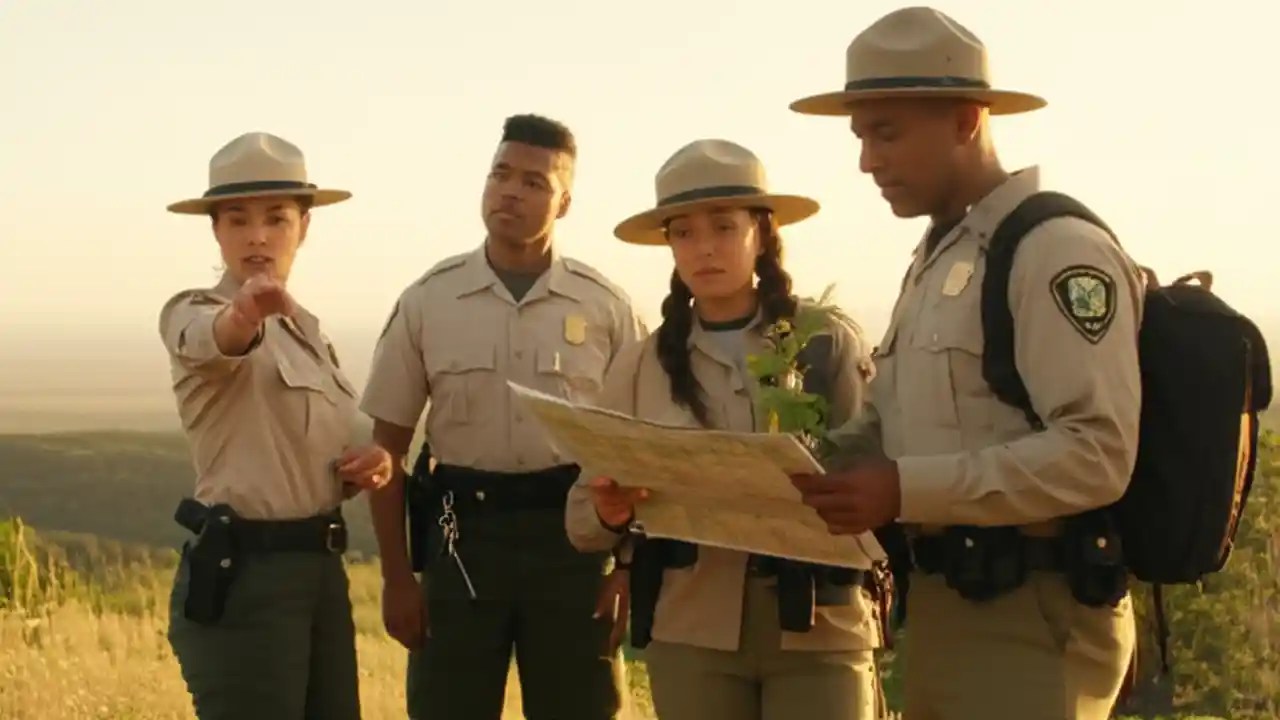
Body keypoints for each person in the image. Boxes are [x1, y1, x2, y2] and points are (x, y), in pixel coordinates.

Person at [786, 7, 1144, 720]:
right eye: (861, 136)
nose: (867, 161)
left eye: (886, 133)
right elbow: (893, 422)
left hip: (1036, 620)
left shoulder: (1052, 249)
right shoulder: (937, 259)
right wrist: (787, 471)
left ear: (966, 119)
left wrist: (902, 491)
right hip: (952, 609)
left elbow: (1098, 454)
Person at [565, 138, 886, 720]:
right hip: (693, 627)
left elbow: (875, 477)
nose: (703, 248)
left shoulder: (824, 342)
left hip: (819, 623)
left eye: (723, 226)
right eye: (682, 232)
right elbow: (582, 517)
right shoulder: (643, 363)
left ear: (761, 233)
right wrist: (610, 511)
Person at [360, 113, 647, 720]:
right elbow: (386, 444)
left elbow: (639, 449)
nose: (510, 191)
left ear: (564, 202)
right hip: (462, 541)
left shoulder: (605, 307)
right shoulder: (429, 300)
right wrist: (397, 577)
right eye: (500, 174)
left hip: (573, 543)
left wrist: (627, 567)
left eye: (534, 182)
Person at [159, 131, 392, 720]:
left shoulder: (309, 332)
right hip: (247, 578)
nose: (258, 235)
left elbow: (314, 453)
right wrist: (242, 312)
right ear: (216, 231)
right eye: (237, 220)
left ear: (304, 227)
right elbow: (219, 340)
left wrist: (366, 465)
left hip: (319, 571)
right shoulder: (193, 310)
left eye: (276, 218)